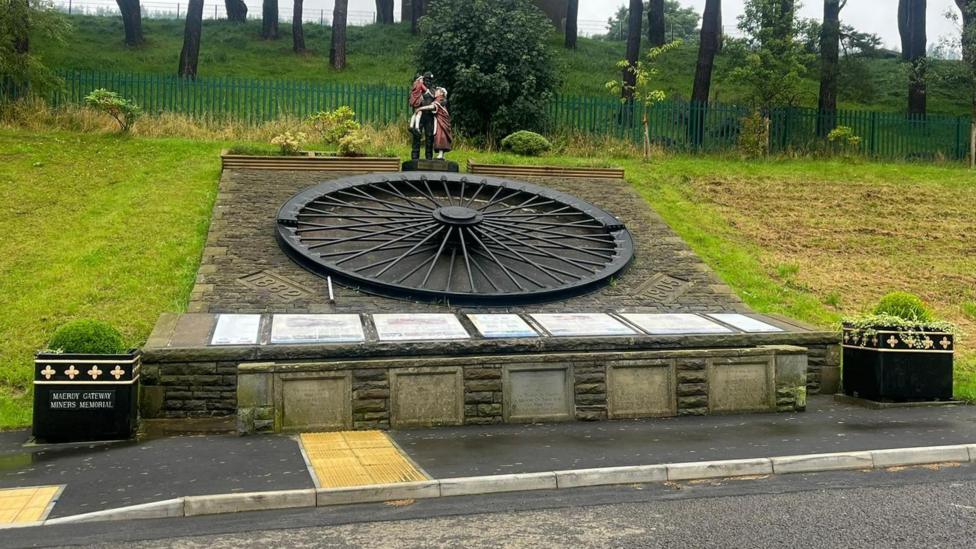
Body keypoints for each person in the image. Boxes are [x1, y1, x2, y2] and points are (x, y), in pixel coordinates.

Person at [408, 72, 436, 160]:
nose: (428, 82)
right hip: (420, 115)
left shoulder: (433, 90)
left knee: (430, 135)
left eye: (430, 80)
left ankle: (429, 156)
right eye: (426, 80)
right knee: (417, 134)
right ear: (423, 79)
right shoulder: (418, 88)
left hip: (430, 116)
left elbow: (438, 100)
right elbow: (412, 99)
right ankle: (415, 155)